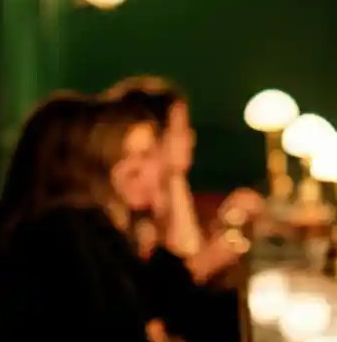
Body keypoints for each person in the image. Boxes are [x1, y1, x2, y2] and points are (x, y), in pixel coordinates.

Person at [0, 91, 247, 342]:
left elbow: (167, 303)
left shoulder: (83, 227)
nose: (142, 168)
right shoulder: (63, 232)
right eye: (123, 155)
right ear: (81, 160)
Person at [103, 76, 265, 267]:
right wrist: (221, 249)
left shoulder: (163, 202)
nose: (191, 138)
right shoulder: (127, 216)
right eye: (180, 129)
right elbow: (180, 277)